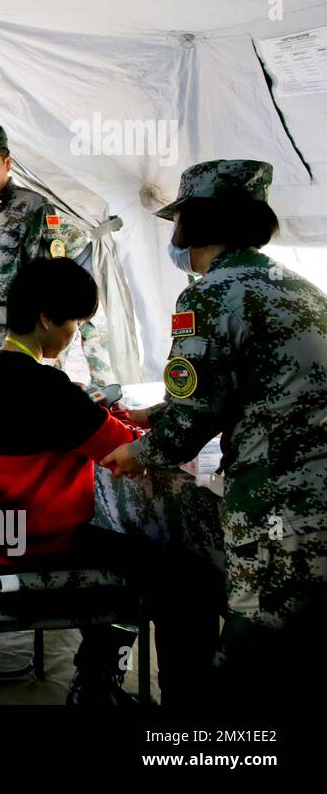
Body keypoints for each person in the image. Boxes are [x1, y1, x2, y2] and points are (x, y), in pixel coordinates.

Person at [101, 160, 327, 701]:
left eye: (177, 218)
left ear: (193, 224)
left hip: (281, 506)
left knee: (251, 665)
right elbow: (256, 384)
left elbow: (187, 426)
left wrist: (139, 449)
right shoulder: (301, 290)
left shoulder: (207, 296)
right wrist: (155, 414)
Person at [0, 257, 220, 703]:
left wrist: (89, 411)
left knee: (129, 548)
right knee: (187, 580)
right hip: (41, 545)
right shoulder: (46, 387)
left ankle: (95, 680)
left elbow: (65, 425)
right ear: (46, 317)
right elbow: (125, 453)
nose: (75, 336)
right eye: (75, 323)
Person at [0, 125, 112, 386]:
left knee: (25, 410)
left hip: (19, 335)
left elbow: (45, 278)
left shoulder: (33, 206)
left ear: (7, 163)